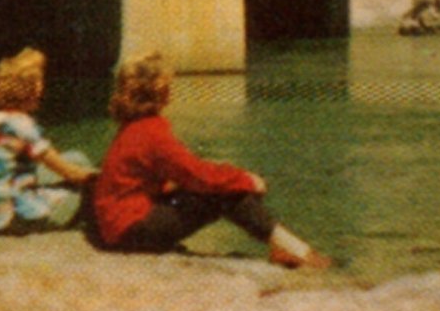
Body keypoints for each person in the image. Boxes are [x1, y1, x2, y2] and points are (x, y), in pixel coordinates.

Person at [88, 51, 331, 269]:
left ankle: (283, 246)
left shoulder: (133, 127)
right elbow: (201, 176)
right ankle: (293, 249)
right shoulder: (152, 133)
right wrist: (247, 179)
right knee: (224, 191)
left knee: (220, 183)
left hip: (117, 227)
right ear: (161, 91)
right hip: (131, 232)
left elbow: (149, 177)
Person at [0, 48, 94, 234]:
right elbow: (72, 173)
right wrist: (103, 176)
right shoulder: (22, 125)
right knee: (82, 192)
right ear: (33, 93)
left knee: (74, 157)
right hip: (10, 219)